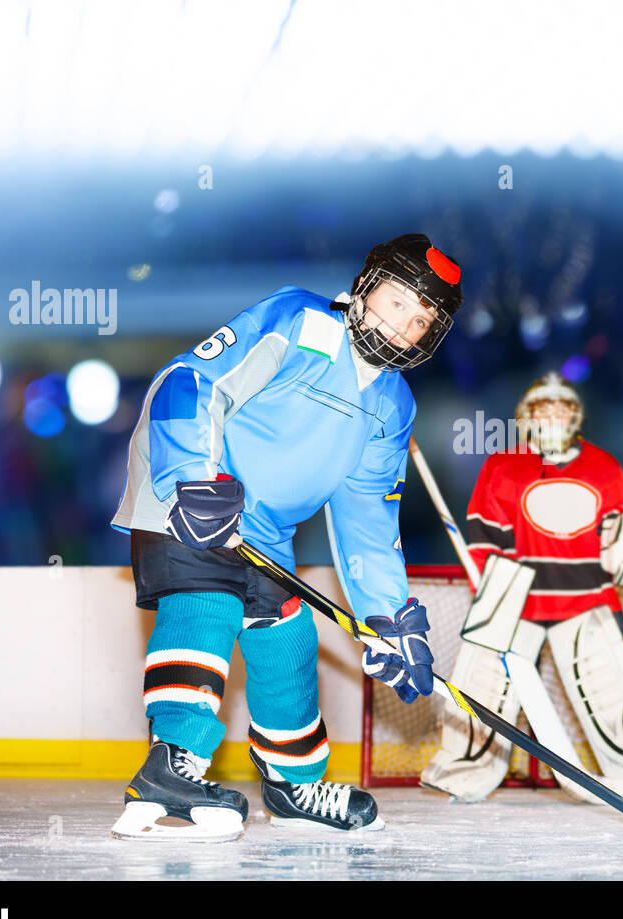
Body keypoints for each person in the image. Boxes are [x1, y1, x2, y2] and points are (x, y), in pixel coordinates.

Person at [109, 234, 462, 840]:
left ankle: (293, 784)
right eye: (397, 301)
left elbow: (368, 518)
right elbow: (187, 384)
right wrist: (195, 478)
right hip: (190, 495)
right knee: (207, 606)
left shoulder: (393, 404)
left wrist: (389, 616)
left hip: (264, 534)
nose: (404, 325)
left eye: (421, 319)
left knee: (290, 638)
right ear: (364, 287)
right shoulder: (299, 321)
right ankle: (172, 765)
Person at [422, 372, 623, 804]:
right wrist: (490, 577)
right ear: (526, 417)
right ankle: (462, 770)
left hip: (584, 595)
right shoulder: (502, 466)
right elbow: (486, 534)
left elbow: (614, 537)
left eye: (562, 408)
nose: (553, 416)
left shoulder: (605, 468)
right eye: (543, 409)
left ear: (576, 415)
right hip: (515, 596)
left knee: (607, 687)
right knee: (486, 685)